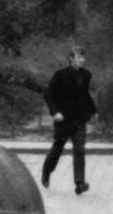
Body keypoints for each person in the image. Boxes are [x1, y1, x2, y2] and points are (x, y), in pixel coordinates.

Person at [41, 45, 97, 194]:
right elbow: (49, 95)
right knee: (57, 149)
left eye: (82, 57)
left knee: (80, 149)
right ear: (71, 59)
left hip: (79, 119)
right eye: (78, 57)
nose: (81, 60)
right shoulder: (60, 75)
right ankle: (46, 171)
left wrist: (91, 111)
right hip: (63, 120)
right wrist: (55, 112)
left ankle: (79, 183)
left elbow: (84, 95)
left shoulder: (86, 75)